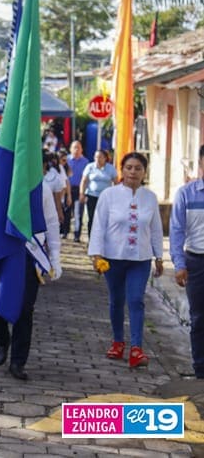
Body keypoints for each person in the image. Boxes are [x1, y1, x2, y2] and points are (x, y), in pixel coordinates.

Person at [0, 171, 62, 380]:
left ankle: (18, 361)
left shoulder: (41, 187)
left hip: (29, 254)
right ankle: (2, 340)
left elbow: (51, 222)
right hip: (1, 252)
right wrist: (11, 214)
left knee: (24, 309)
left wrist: (56, 257)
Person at [88, 152, 163, 369]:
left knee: (136, 300)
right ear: (122, 170)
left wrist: (159, 256)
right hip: (113, 258)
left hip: (140, 258)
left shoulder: (150, 198)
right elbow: (99, 225)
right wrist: (96, 254)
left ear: (144, 172)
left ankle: (137, 348)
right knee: (116, 300)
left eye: (138, 168)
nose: (133, 172)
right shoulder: (109, 195)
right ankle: (118, 341)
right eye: (129, 167)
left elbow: (156, 228)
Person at [170, 144, 204, 379]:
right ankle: (201, 368)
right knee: (199, 317)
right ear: (201, 163)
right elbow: (176, 231)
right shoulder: (186, 193)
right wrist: (179, 264)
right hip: (196, 262)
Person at [80, 149, 118, 241]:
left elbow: (116, 183)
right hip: (91, 196)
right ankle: (91, 240)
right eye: (96, 157)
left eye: (100, 157)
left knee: (104, 219)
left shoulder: (110, 168)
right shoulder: (90, 167)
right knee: (92, 218)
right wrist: (82, 194)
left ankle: (103, 239)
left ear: (105, 158)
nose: (98, 159)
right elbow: (84, 181)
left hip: (105, 198)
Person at [66, 140, 89, 241]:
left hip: (79, 190)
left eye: (78, 147)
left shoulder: (85, 162)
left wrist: (83, 193)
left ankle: (77, 235)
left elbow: (86, 179)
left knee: (78, 213)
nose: (76, 150)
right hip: (66, 189)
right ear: (70, 149)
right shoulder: (66, 160)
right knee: (66, 211)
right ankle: (65, 231)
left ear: (81, 149)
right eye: (74, 147)